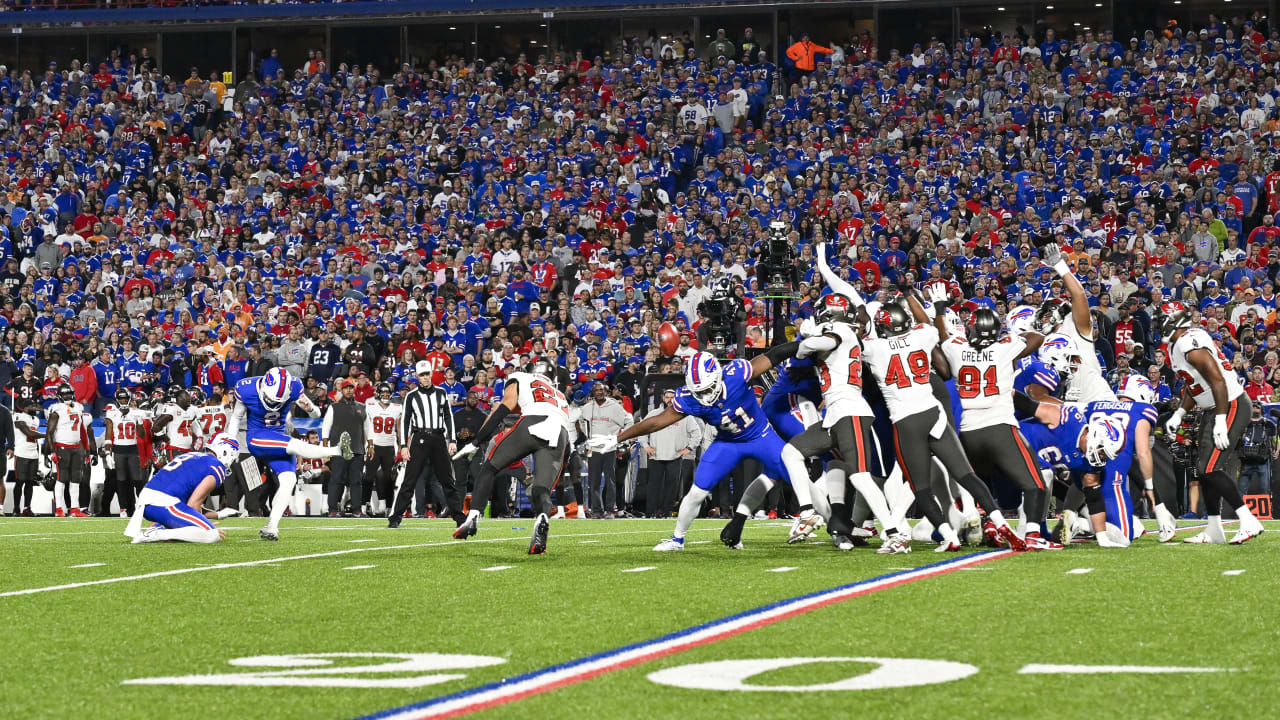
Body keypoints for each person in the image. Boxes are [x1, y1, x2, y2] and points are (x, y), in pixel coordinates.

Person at [586, 340, 803, 552]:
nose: (704, 396)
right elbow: (655, 422)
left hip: (760, 436)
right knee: (697, 492)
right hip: (727, 442)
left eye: (707, 389)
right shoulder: (690, 397)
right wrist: (618, 438)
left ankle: (817, 517)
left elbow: (773, 356)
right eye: (699, 391)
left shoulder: (735, 374)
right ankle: (677, 539)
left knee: (798, 475)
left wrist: (805, 344)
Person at [928, 295, 1058, 550]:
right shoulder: (1005, 347)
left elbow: (943, 336)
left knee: (982, 482)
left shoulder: (956, 348)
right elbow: (1036, 338)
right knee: (1035, 484)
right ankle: (1033, 534)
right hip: (1000, 426)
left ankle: (989, 523)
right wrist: (1027, 330)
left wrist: (940, 309)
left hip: (968, 431)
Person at [1160, 301, 1266, 545]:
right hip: (1215, 407)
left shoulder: (1188, 344)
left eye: (1161, 319)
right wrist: (1179, 414)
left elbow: (1217, 381)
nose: (1157, 324)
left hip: (1230, 404)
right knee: (1203, 469)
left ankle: (1248, 519)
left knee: (1210, 468)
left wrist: (1220, 420)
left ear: (1174, 321)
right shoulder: (1177, 344)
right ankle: (1214, 528)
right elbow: (1194, 383)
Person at [452, 361, 574, 554]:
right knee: (541, 488)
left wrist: (476, 442)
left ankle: (473, 515)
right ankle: (542, 517)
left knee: (489, 468)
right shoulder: (560, 396)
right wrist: (562, 466)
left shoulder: (521, 377)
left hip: (532, 421)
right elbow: (567, 447)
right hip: (559, 434)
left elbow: (504, 407)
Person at [232, 367, 353, 541]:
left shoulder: (294, 386)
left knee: (289, 481)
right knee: (294, 445)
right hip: (257, 437)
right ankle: (336, 450)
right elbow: (236, 417)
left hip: (279, 438)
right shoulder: (247, 388)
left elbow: (316, 413)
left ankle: (271, 526)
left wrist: (310, 408)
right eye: (271, 398)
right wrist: (231, 441)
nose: (273, 403)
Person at [123, 434, 241, 544]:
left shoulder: (193, 455)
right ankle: (157, 534)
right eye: (232, 456)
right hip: (164, 502)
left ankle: (159, 526)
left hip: (148, 502)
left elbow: (186, 506)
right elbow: (193, 505)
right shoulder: (216, 466)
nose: (231, 461)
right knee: (212, 535)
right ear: (225, 452)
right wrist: (203, 526)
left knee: (200, 530)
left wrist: (218, 515)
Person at [388, 360, 462, 529]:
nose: (425, 377)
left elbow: (448, 416)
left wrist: (452, 440)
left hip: (438, 438)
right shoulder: (412, 396)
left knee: (447, 480)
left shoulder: (441, 393)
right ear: (417, 376)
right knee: (409, 480)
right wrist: (403, 446)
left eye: (427, 374)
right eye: (422, 375)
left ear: (431, 374)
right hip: (419, 437)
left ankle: (459, 517)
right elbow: (405, 421)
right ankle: (395, 517)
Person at [639, 388, 699, 519]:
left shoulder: (684, 415)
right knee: (653, 486)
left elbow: (696, 433)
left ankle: (667, 512)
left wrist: (689, 448)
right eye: (667, 397)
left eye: (672, 397)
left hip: (675, 456)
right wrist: (646, 446)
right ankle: (650, 512)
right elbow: (641, 428)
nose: (670, 400)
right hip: (656, 456)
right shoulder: (654, 414)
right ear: (663, 398)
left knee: (672, 487)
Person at [582, 383, 633, 517]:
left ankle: (610, 509)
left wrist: (621, 439)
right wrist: (585, 436)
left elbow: (629, 420)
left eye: (602, 390)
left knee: (611, 481)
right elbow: (580, 421)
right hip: (593, 449)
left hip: (609, 448)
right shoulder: (587, 408)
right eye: (596, 390)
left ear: (606, 392)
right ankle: (596, 510)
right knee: (594, 482)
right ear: (592, 392)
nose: (599, 392)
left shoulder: (615, 407)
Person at [45, 382, 94, 517]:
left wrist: (87, 450)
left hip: (77, 447)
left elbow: (82, 430)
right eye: (65, 394)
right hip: (62, 447)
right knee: (61, 479)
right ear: (60, 395)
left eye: (70, 393)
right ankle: (59, 509)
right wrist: (51, 451)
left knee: (76, 479)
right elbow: (49, 432)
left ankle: (74, 509)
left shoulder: (78, 407)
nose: (67, 396)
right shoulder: (56, 409)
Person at [322, 379, 367, 516]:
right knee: (336, 480)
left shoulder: (362, 407)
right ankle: (332, 510)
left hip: (357, 450)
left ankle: (357, 510)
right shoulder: (334, 407)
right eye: (346, 388)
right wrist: (326, 451)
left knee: (356, 481)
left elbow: (367, 428)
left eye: (351, 388)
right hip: (337, 450)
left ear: (354, 390)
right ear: (341, 390)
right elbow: (325, 428)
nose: (349, 390)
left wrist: (369, 446)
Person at [102, 387, 147, 517]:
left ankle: (142, 506)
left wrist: (139, 422)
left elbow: (142, 435)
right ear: (117, 400)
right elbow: (108, 434)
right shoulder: (112, 413)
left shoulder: (136, 413)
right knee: (121, 480)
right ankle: (123, 509)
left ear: (129, 399)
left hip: (132, 449)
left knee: (138, 480)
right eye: (121, 399)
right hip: (118, 449)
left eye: (125, 398)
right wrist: (108, 452)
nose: (123, 401)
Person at [363, 382, 401, 517]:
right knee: (368, 477)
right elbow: (366, 428)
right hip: (374, 446)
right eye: (383, 393)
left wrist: (401, 446)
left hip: (389, 446)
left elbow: (399, 429)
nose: (385, 395)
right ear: (378, 394)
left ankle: (389, 507)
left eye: (387, 393)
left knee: (388, 479)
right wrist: (368, 445)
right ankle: (364, 505)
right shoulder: (370, 406)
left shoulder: (397, 408)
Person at [1238, 404, 1277, 498]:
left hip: (1263, 460)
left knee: (1265, 488)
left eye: (1257, 407)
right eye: (1253, 407)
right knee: (1241, 489)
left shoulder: (1269, 423)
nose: (1255, 409)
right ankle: (1241, 506)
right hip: (1245, 460)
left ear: (1261, 410)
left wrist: (1277, 450)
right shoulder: (1243, 423)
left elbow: (1275, 439)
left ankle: (1266, 505)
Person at [11, 401, 42, 516]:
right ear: (25, 408)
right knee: (20, 482)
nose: (35, 408)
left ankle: (27, 508)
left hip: (33, 454)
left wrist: (38, 455)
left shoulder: (36, 420)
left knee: (30, 483)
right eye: (32, 406)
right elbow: (30, 434)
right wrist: (47, 435)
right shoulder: (18, 417)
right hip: (21, 453)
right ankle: (16, 509)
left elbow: (35, 439)